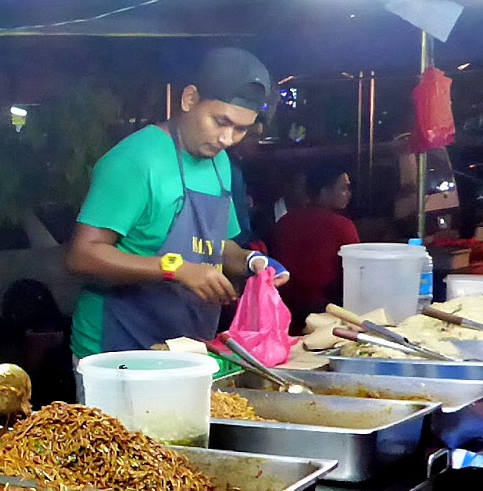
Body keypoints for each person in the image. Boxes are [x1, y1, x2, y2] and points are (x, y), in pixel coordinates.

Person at [66, 48, 290, 357]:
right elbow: (82, 256)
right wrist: (176, 269)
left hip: (185, 348)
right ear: (190, 99)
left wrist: (253, 263)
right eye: (220, 121)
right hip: (116, 347)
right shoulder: (135, 161)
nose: (227, 138)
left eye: (240, 129)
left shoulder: (219, 162)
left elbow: (214, 244)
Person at [269, 160, 360, 328]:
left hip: (282, 310)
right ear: (324, 191)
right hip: (326, 312)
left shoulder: (285, 221)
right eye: (343, 188)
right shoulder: (342, 226)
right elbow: (354, 274)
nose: (348, 193)